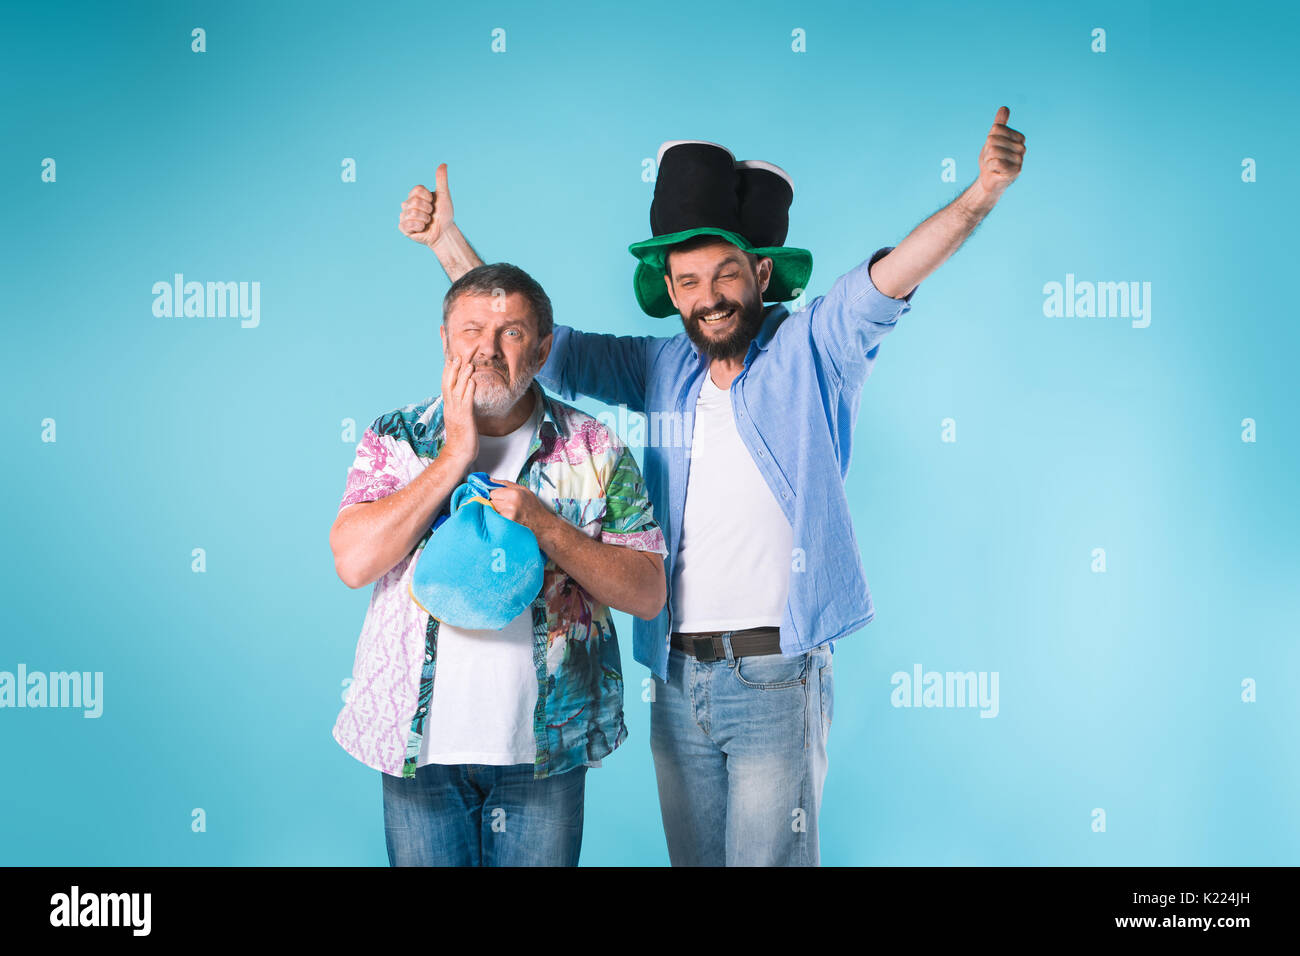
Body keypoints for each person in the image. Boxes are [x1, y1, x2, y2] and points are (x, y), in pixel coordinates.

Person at [398, 108, 1026, 865]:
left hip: (775, 677)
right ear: (670, 288)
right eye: (689, 281)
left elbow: (887, 280)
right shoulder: (664, 368)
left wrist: (980, 196)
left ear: (759, 272)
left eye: (725, 274)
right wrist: (447, 247)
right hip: (676, 678)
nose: (710, 296)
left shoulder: (812, 349)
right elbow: (529, 342)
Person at [328, 262, 669, 866]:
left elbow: (647, 592)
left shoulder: (592, 445)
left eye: (510, 332)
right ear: (444, 339)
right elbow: (354, 561)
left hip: (543, 749)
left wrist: (547, 526)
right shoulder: (399, 437)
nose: (486, 348)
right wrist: (455, 454)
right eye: (470, 330)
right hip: (418, 747)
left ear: (540, 350)